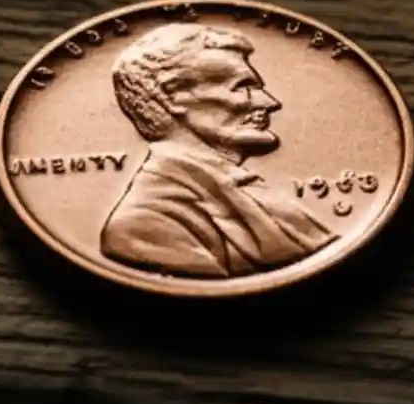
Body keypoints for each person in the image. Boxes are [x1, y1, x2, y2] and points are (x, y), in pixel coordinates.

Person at [101, 22, 337, 278]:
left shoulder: (246, 189)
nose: (269, 103)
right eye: (243, 87)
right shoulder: (141, 224)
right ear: (172, 97)